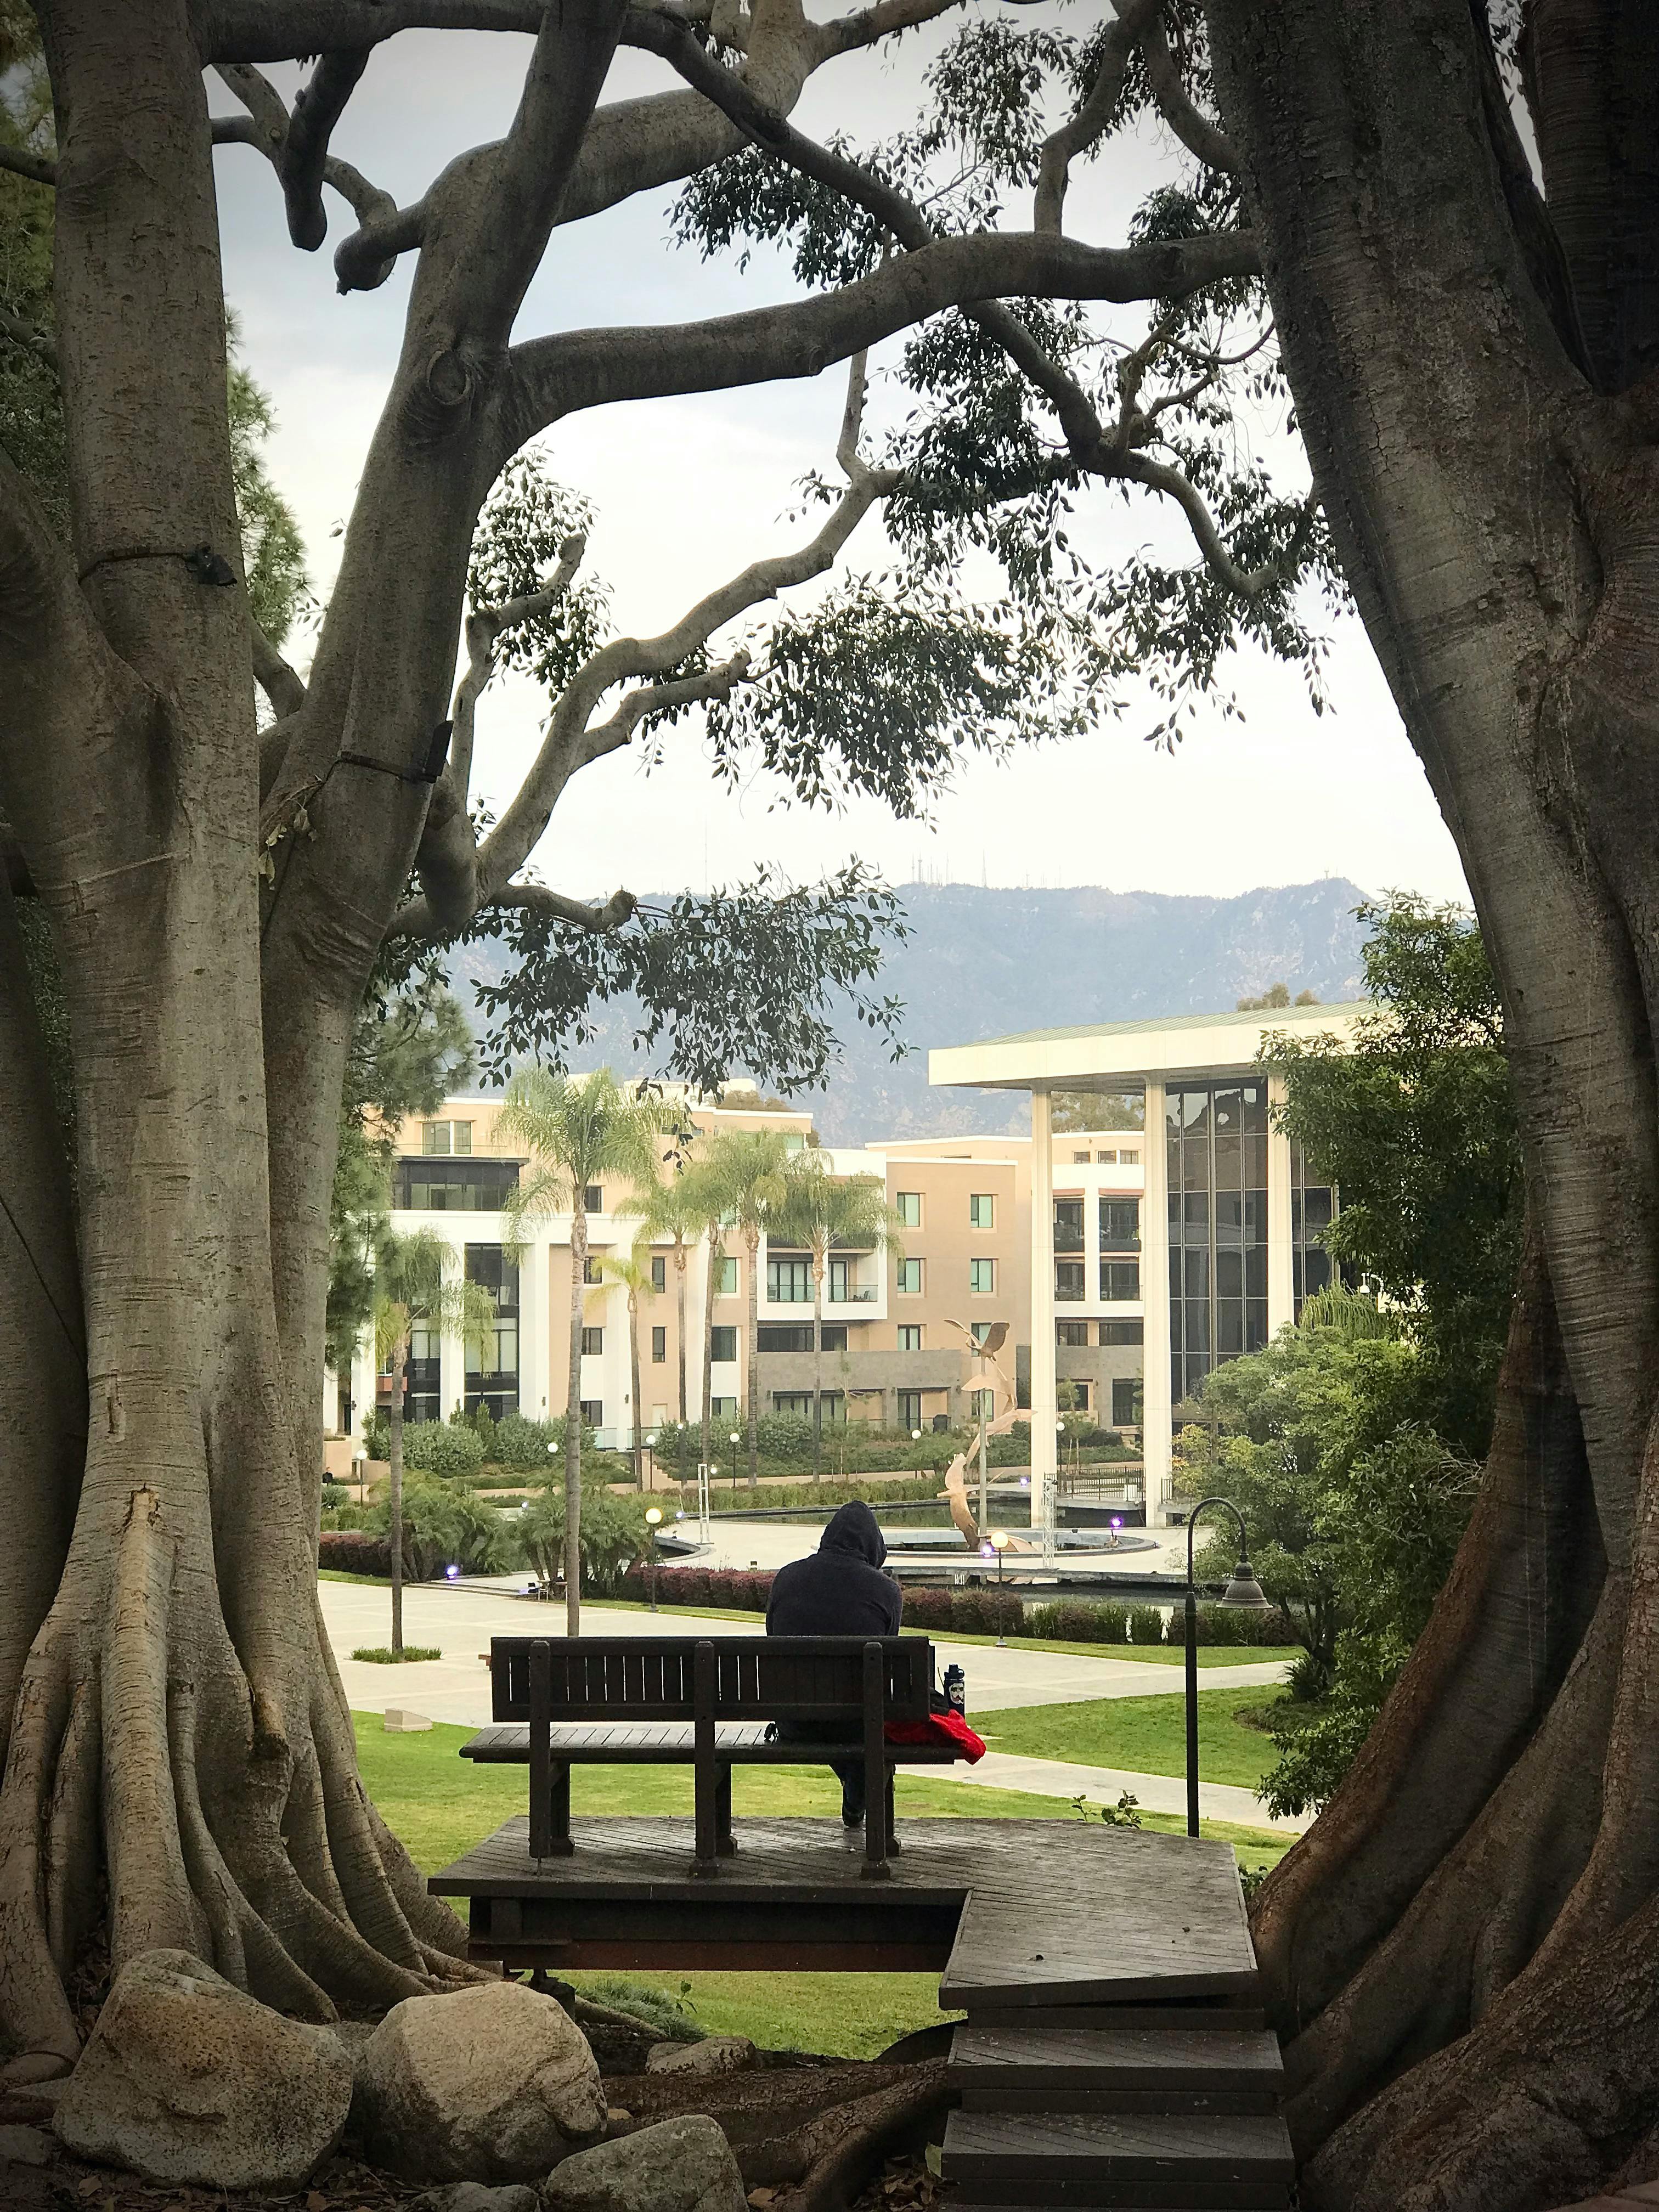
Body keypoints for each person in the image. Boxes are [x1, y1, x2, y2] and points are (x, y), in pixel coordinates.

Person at [764, 1499, 901, 1827]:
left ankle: (856, 1793)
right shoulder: (885, 1591)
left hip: (795, 1721)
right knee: (862, 1739)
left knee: (831, 1722)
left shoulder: (787, 1579)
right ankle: (860, 1799)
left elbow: (772, 1639)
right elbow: (888, 1663)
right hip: (858, 1720)